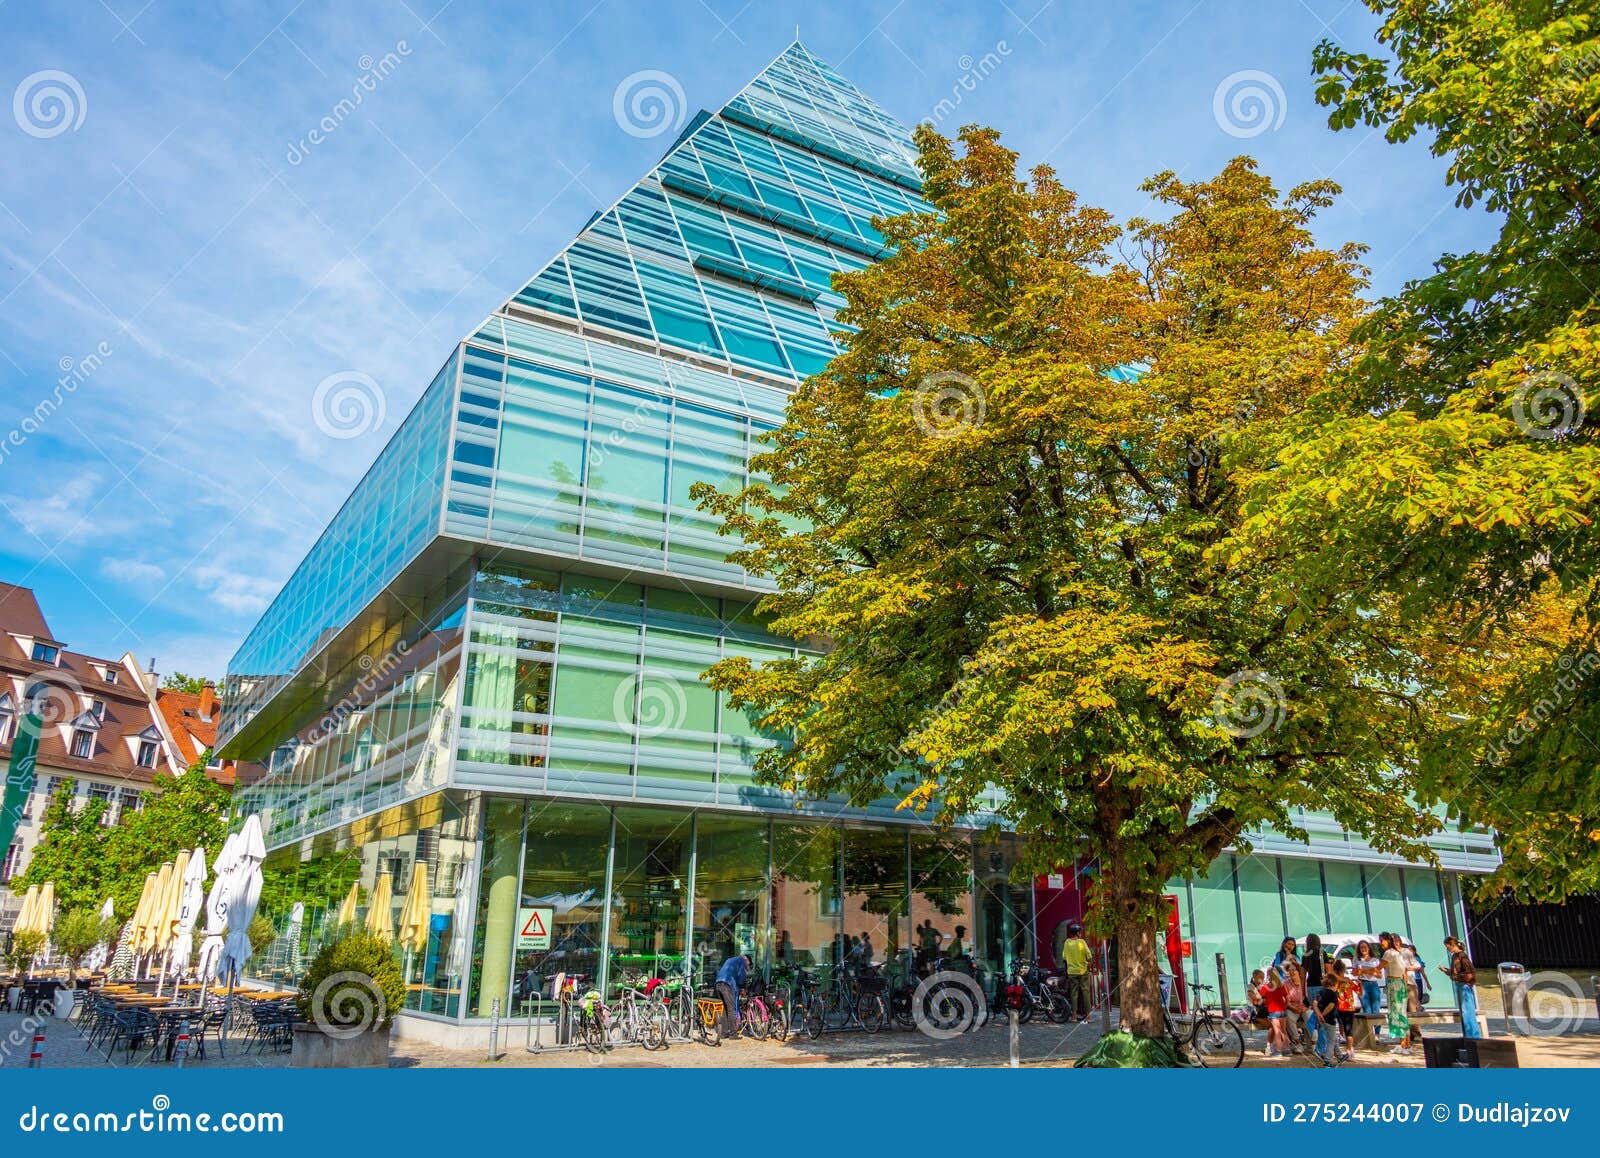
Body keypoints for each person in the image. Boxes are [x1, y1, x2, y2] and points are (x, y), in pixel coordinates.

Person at [1439, 935, 1481, 1039]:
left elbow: (1470, 973)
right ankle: (1467, 1036)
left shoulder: (1462, 956)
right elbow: (1456, 972)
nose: (1447, 949)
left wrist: (1458, 977)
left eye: (1447, 946)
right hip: (1459, 984)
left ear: (1452, 945)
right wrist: (1447, 971)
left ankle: (1474, 1037)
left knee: (1468, 1012)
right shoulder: (1455, 956)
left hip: (1465, 986)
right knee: (1463, 1012)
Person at [1380, 932, 1411, 1054]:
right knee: (1402, 1013)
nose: (1381, 943)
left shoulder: (1389, 953)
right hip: (1400, 984)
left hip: (1394, 984)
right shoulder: (1398, 953)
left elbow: (1378, 967)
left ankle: (1403, 1045)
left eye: (1382, 940)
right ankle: (1406, 1044)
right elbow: (1405, 973)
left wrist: (1362, 971)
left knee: (1397, 1013)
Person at [1059, 922, 1092, 1021]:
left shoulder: (1067, 943)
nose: (1081, 934)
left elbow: (1064, 957)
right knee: (1085, 993)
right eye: (1080, 932)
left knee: (1074, 994)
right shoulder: (1082, 942)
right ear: (1077, 933)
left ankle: (1074, 1016)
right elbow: (1089, 956)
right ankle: (1089, 1017)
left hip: (1072, 972)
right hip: (1083, 971)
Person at [1312, 970, 1342, 1065]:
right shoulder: (1333, 994)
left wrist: (1319, 1014)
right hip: (1330, 1019)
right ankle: (1327, 1059)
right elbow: (1330, 1006)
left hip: (1321, 1020)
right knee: (1331, 1041)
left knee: (1332, 1037)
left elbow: (1314, 1004)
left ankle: (1339, 1056)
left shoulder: (1321, 992)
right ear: (1334, 984)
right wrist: (1323, 1015)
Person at [715, 952, 749, 1037]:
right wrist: (742, 987)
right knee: (731, 1009)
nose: (748, 967)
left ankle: (724, 1032)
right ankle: (733, 1034)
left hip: (718, 983)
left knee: (724, 1009)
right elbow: (742, 975)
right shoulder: (742, 961)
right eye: (749, 965)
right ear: (747, 960)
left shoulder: (730, 960)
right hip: (727, 984)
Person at [1332, 959, 1360, 1061]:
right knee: (1349, 1031)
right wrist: (1358, 983)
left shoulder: (1334, 982)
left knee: (1333, 1029)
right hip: (1349, 1008)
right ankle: (1349, 1051)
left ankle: (1333, 1051)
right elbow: (1359, 991)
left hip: (1338, 1007)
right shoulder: (1348, 981)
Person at [1261, 966, 1291, 1057]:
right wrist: (1284, 1007)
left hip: (1273, 1012)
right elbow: (1287, 999)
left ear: (1269, 976)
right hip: (1282, 1011)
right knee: (1284, 1031)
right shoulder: (1281, 985)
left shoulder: (1266, 987)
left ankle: (1278, 1051)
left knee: (1277, 1031)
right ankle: (1287, 1050)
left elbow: (1260, 998)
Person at [1353, 939, 1383, 1013]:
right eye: (1361, 947)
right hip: (1362, 984)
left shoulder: (1375, 960)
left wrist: (1366, 971)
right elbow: (1354, 973)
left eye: (1365, 947)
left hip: (1374, 984)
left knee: (1376, 1009)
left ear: (1369, 948)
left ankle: (1377, 1025)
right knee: (1367, 1009)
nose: (1363, 949)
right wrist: (1367, 971)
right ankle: (1369, 1025)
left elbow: (1380, 975)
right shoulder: (1357, 959)